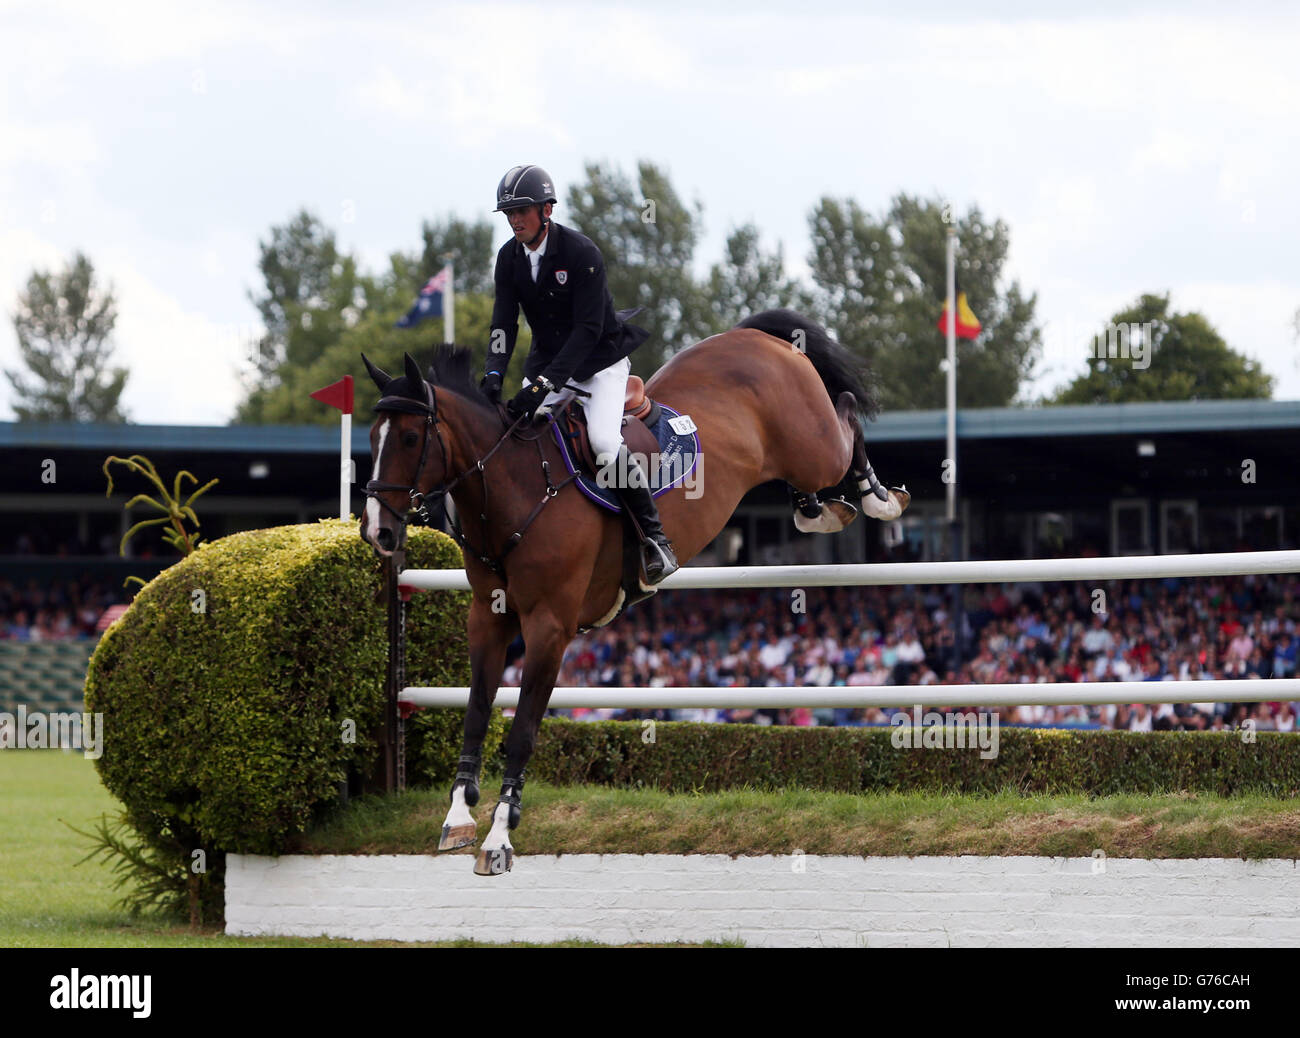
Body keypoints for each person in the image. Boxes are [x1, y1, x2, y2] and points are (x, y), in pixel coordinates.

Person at [481, 164, 678, 585]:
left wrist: (545, 386)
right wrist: (494, 371)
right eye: (509, 213)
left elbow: (588, 331)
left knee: (605, 443)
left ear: (546, 209)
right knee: (515, 437)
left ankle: (655, 538)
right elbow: (504, 323)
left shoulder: (581, 253)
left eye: (523, 210)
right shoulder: (508, 259)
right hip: (548, 364)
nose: (515, 220)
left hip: (600, 364)